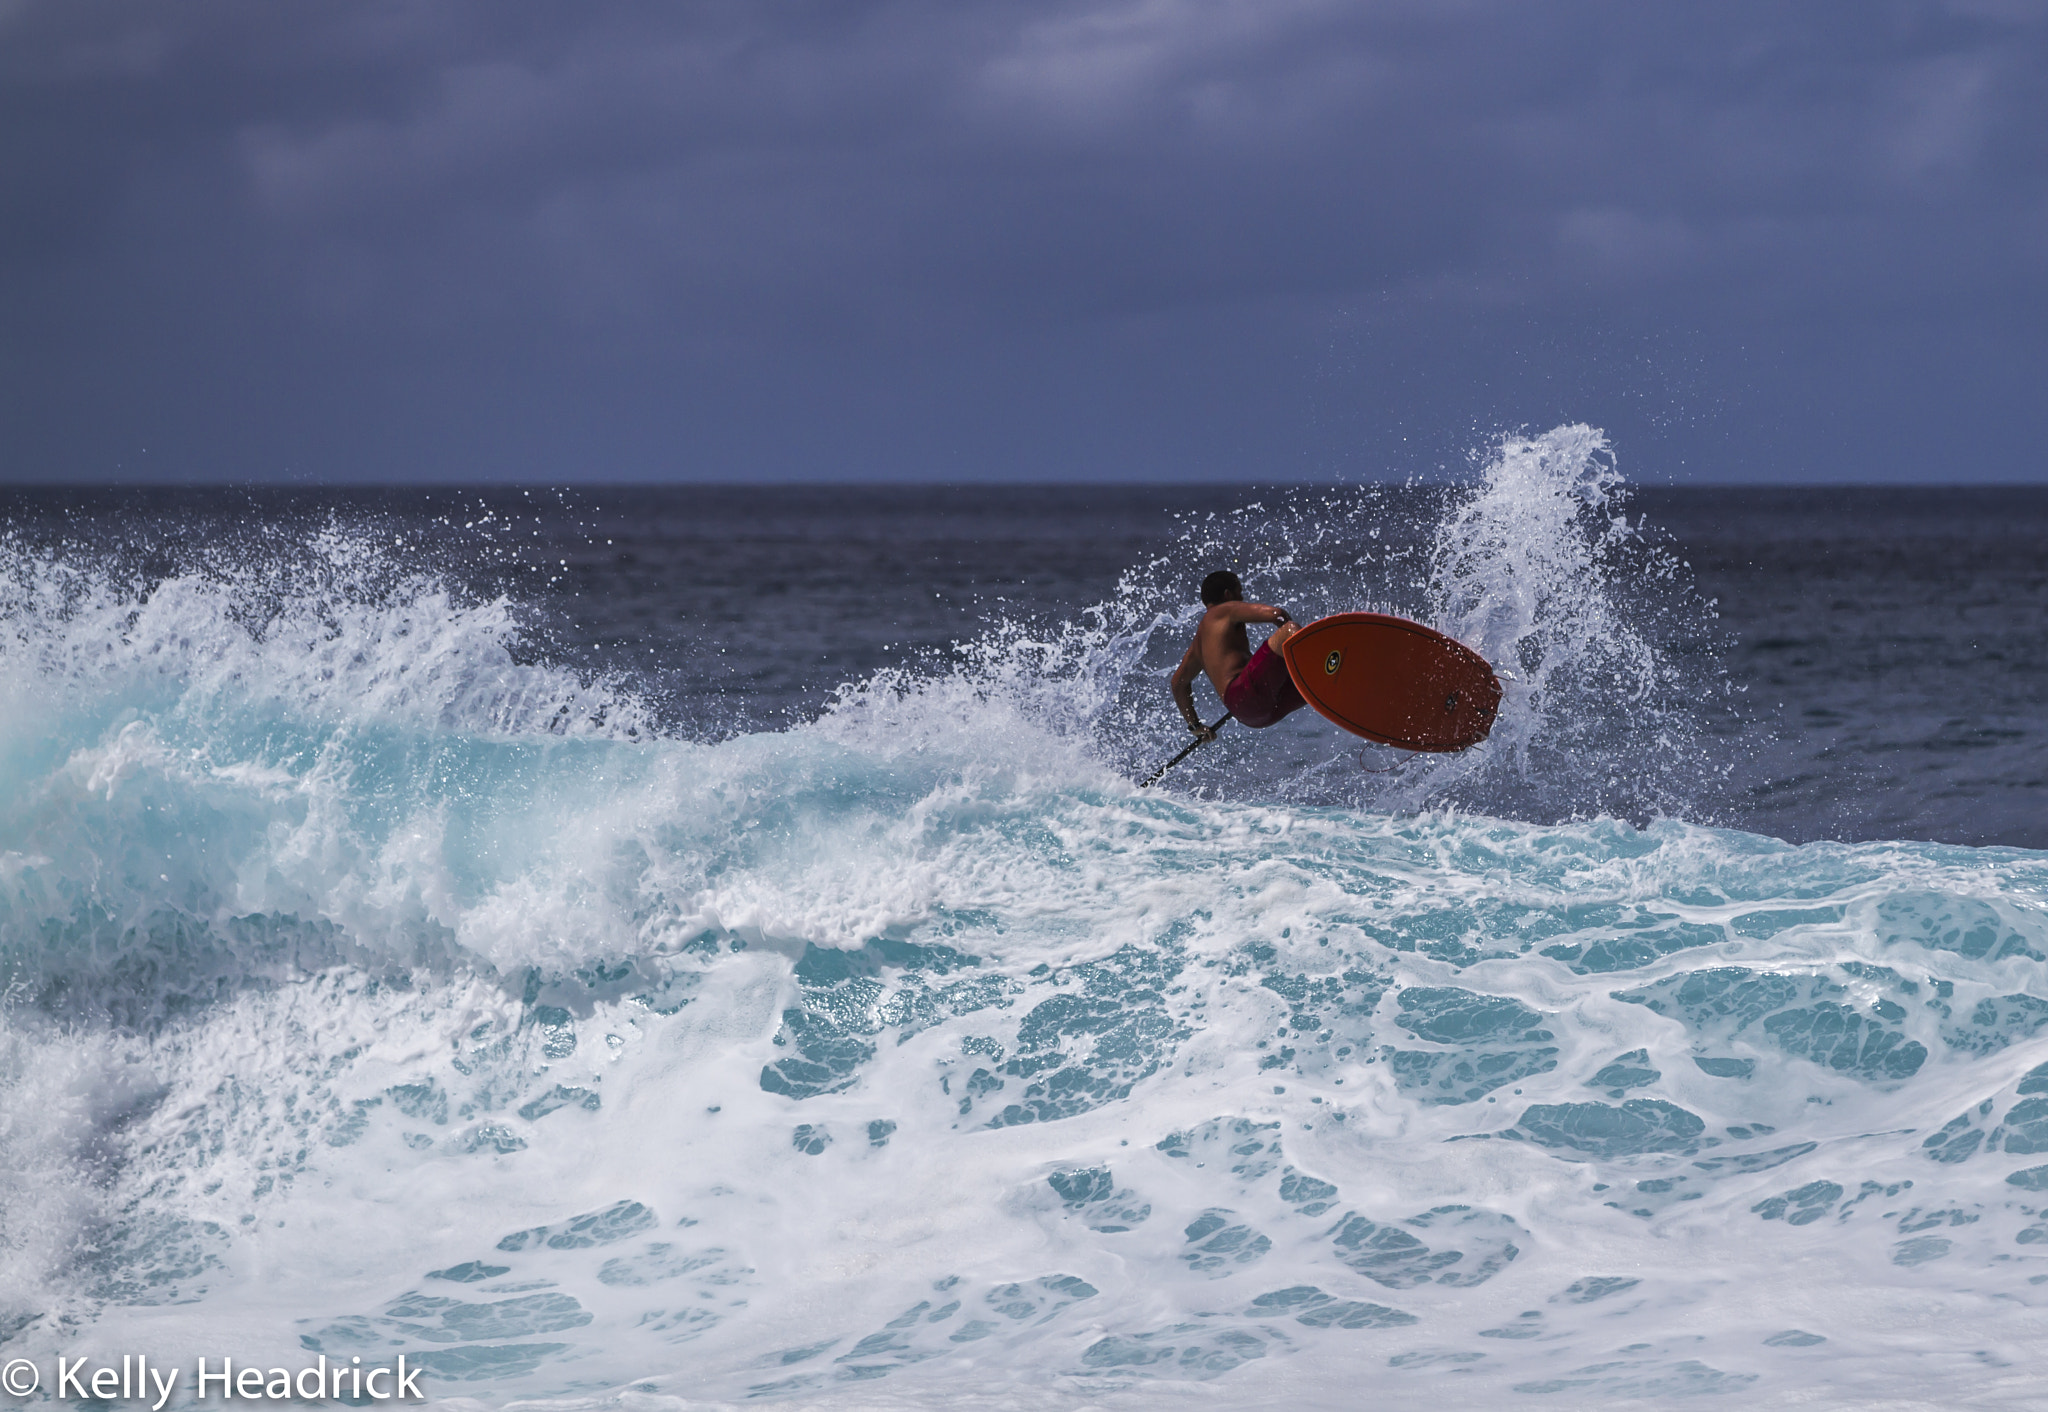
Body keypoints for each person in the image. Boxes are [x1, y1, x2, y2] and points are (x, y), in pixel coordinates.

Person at [1170, 569, 1306, 739]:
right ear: (1228, 594)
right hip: (1245, 694)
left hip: (1248, 714)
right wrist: (1294, 648)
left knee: (1316, 682)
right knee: (1290, 631)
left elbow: (1178, 683)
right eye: (1239, 593)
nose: (1242, 600)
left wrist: (1195, 726)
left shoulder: (1199, 645)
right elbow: (1277, 614)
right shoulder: (1223, 610)